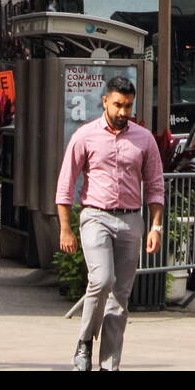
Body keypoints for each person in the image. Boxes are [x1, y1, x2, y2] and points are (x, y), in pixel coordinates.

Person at [56, 75, 165, 372]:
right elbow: (65, 185)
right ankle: (84, 343)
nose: (123, 112)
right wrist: (65, 228)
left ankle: (109, 363)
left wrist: (155, 227)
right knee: (102, 280)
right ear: (105, 101)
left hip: (131, 219)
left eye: (128, 106)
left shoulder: (144, 139)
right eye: (118, 105)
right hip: (95, 216)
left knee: (121, 296)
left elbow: (155, 185)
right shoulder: (85, 136)